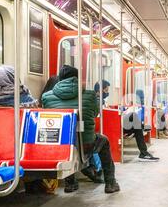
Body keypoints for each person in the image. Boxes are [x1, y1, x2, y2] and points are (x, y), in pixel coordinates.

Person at [42, 65, 120, 193]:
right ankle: (110, 183)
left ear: (60, 78)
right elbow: (94, 114)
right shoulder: (90, 95)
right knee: (104, 141)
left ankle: (71, 183)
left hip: (57, 145)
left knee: (66, 141)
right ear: (77, 78)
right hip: (86, 144)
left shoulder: (46, 96)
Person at [97, 81, 159, 162]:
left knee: (137, 126)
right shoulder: (97, 101)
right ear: (99, 90)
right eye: (106, 90)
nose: (107, 93)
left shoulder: (103, 101)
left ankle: (143, 152)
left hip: (114, 124)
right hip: (110, 127)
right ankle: (143, 150)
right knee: (133, 116)